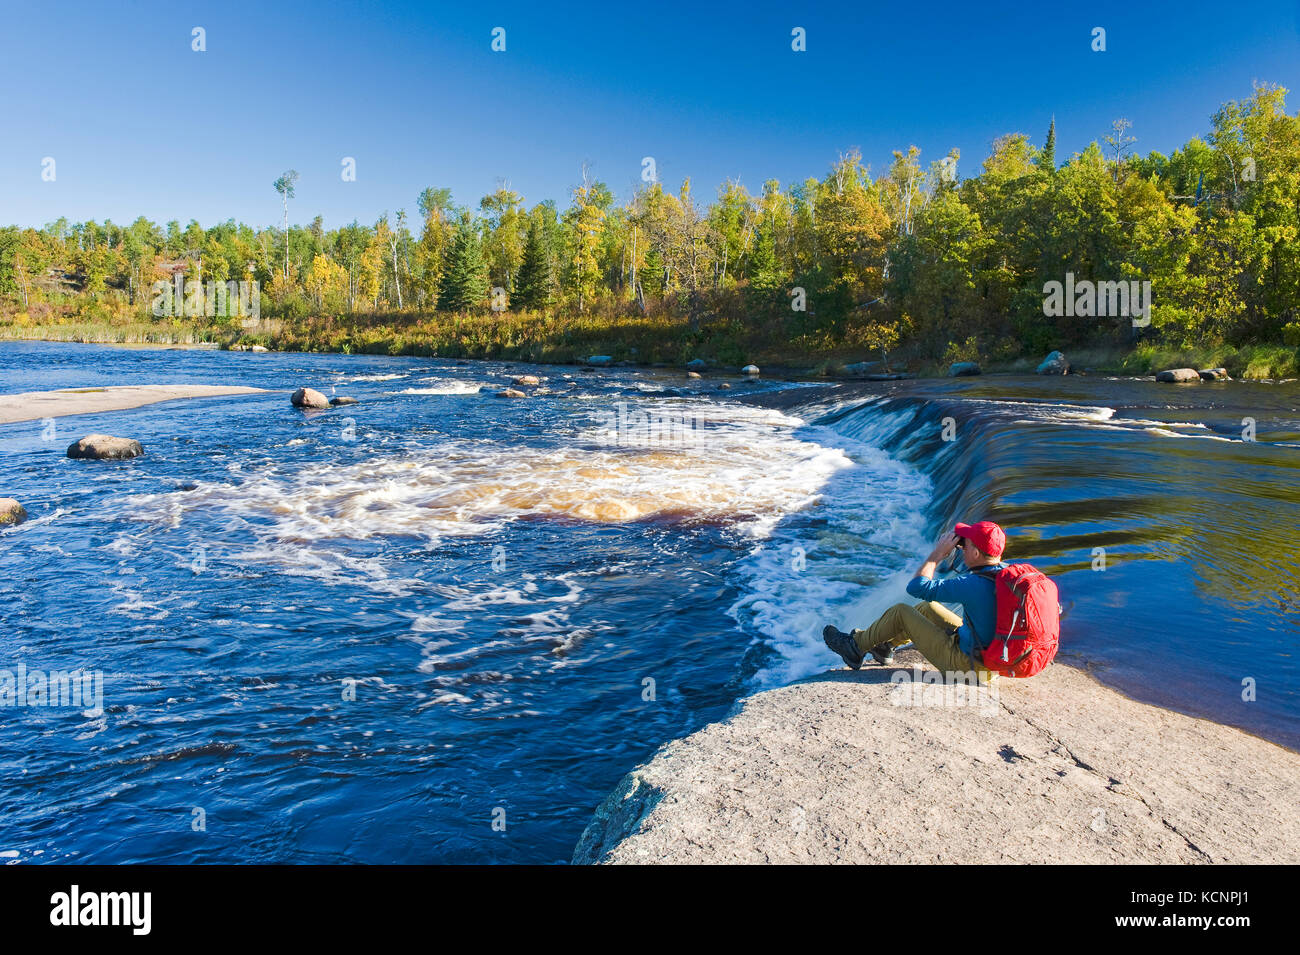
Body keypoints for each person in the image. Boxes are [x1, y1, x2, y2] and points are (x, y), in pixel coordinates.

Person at [822, 520, 1007, 680]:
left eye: (965, 545)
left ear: (976, 554)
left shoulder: (972, 584)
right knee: (929, 608)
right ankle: (885, 646)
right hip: (990, 660)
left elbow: (916, 587)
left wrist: (938, 554)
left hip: (968, 667)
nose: (962, 548)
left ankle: (854, 647)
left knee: (901, 612)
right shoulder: (1005, 574)